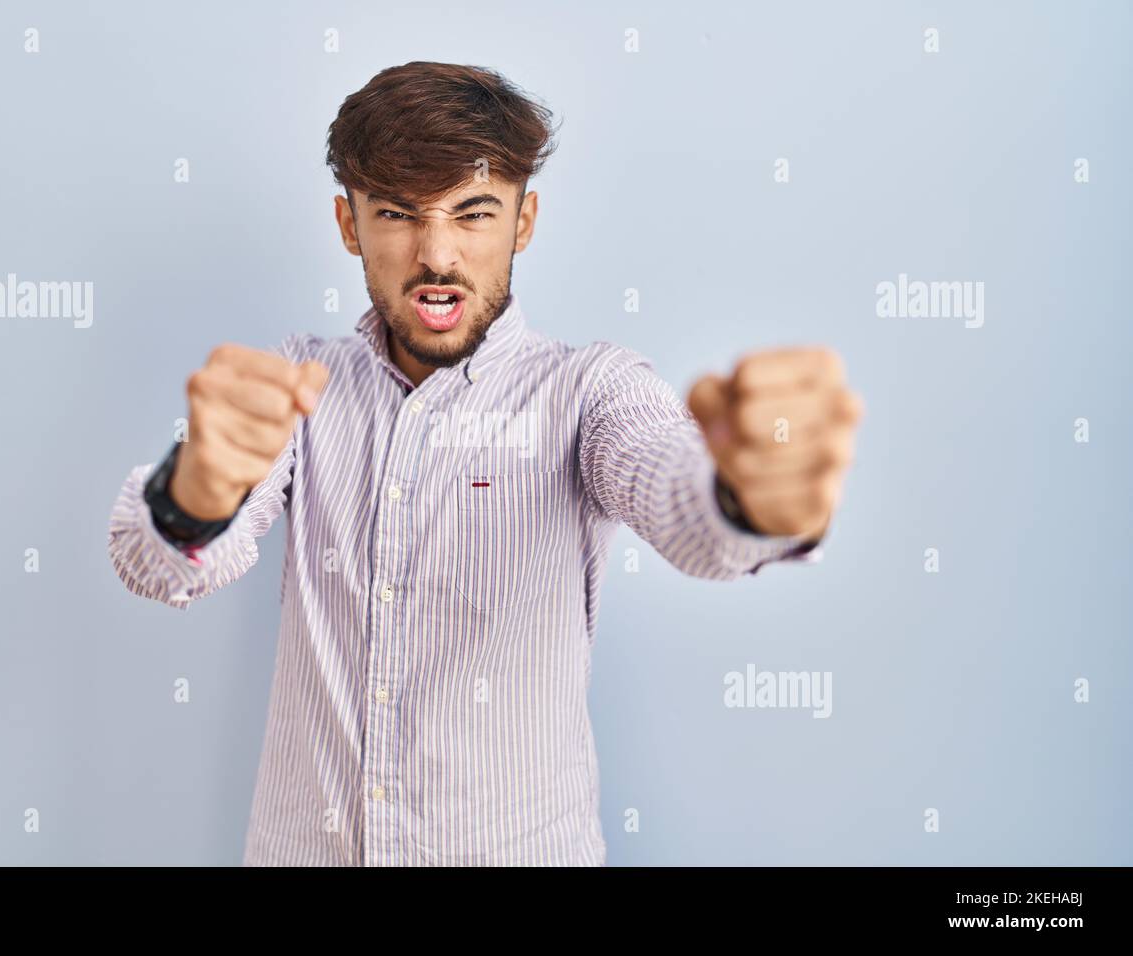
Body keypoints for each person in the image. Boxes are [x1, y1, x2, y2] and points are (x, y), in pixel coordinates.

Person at [107, 61, 864, 866]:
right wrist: (195, 493)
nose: (437, 255)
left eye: (473, 213)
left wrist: (748, 499)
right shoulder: (294, 382)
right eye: (398, 213)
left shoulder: (588, 392)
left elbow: (683, 504)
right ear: (349, 225)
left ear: (523, 221)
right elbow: (154, 566)